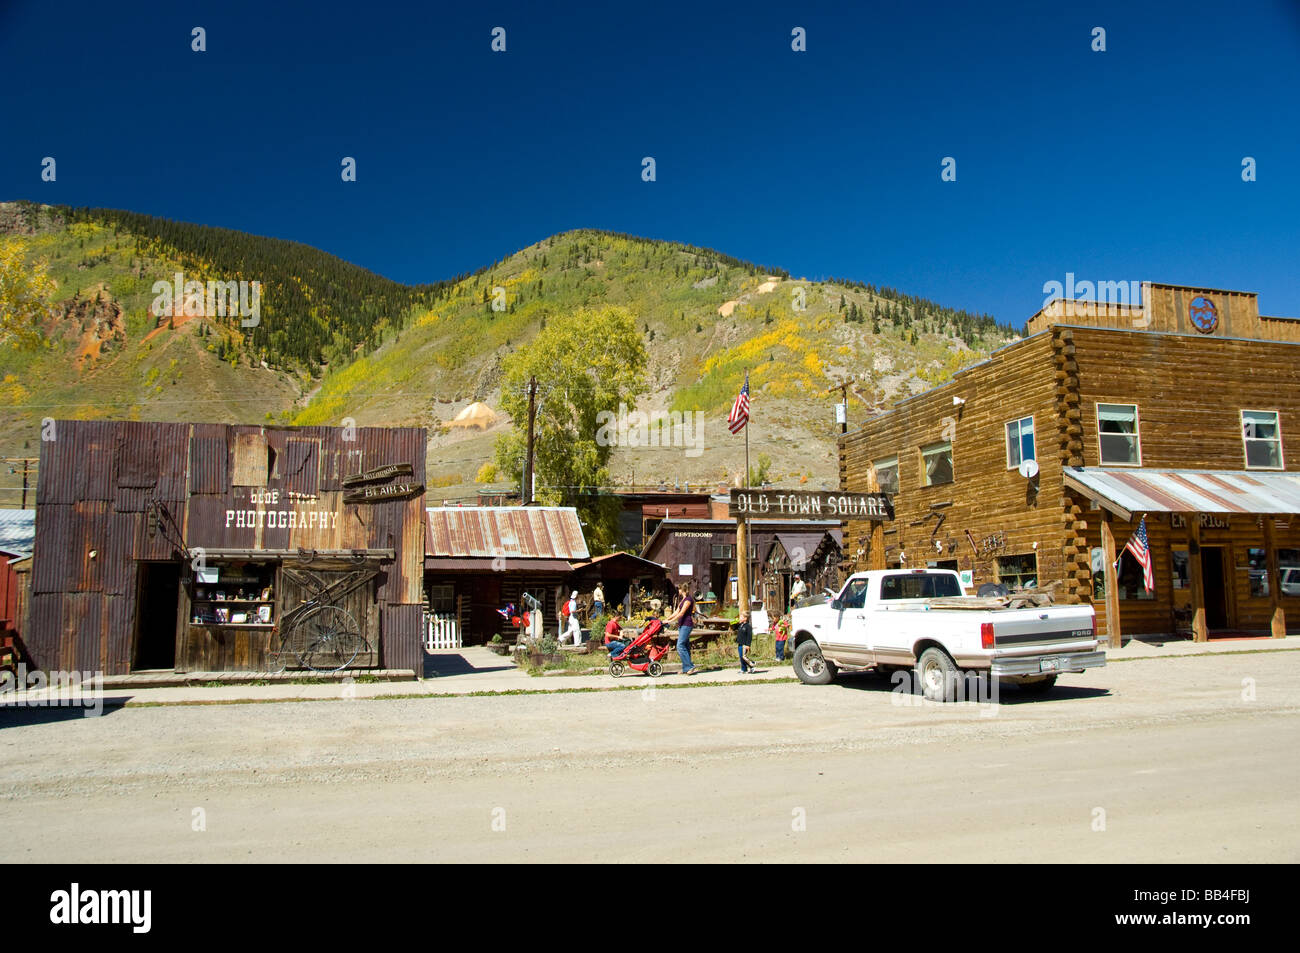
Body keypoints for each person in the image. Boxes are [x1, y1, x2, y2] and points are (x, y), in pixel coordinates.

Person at [666, 583, 698, 675]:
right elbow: (676, 611)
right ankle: (686, 668)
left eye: (679, 589)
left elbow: (681, 613)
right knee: (685, 646)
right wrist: (666, 619)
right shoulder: (682, 600)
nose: (678, 591)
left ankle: (690, 666)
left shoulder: (688, 600)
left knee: (680, 646)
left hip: (687, 624)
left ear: (682, 590)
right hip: (681, 625)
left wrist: (670, 621)